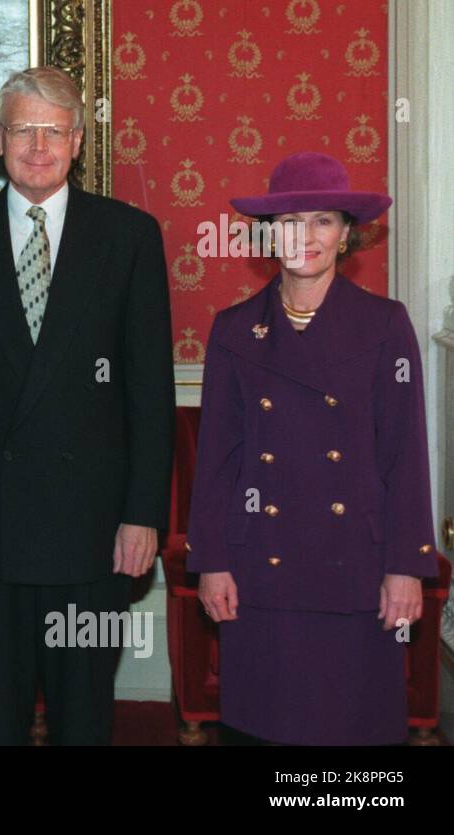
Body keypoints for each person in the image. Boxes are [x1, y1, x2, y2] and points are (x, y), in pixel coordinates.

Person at [0, 67, 176, 745]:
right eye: (23, 129)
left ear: (79, 142)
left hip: (93, 532)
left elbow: (150, 392)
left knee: (83, 716)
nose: (39, 145)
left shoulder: (130, 236)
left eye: (54, 131)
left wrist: (143, 514)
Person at [187, 151, 437, 745]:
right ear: (270, 234)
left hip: (356, 565)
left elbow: (405, 457)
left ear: (347, 234)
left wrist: (406, 567)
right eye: (291, 221)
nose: (306, 236)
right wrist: (212, 560)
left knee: (351, 735)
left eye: (323, 220)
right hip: (260, 570)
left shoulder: (385, 325)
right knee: (265, 728)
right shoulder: (233, 328)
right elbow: (217, 460)